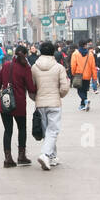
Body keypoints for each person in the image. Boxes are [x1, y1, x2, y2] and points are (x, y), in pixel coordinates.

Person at [0, 44, 37, 167]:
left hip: (5, 103)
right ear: (25, 55)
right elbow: (31, 88)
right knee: (21, 129)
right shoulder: (25, 68)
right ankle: (21, 156)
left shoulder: (6, 65)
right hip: (19, 104)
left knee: (8, 130)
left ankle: (8, 159)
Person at [31, 40, 70, 170]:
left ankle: (52, 157)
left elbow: (31, 88)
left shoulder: (34, 67)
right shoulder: (59, 67)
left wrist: (36, 98)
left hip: (40, 103)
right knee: (53, 131)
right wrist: (58, 95)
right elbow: (64, 87)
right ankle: (45, 154)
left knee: (47, 132)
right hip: (54, 103)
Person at [70, 40, 96, 110]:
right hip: (87, 75)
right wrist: (94, 77)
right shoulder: (90, 54)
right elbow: (93, 66)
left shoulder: (75, 54)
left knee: (80, 91)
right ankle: (83, 105)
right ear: (85, 45)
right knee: (84, 90)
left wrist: (73, 73)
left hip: (79, 75)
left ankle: (85, 100)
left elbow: (73, 65)